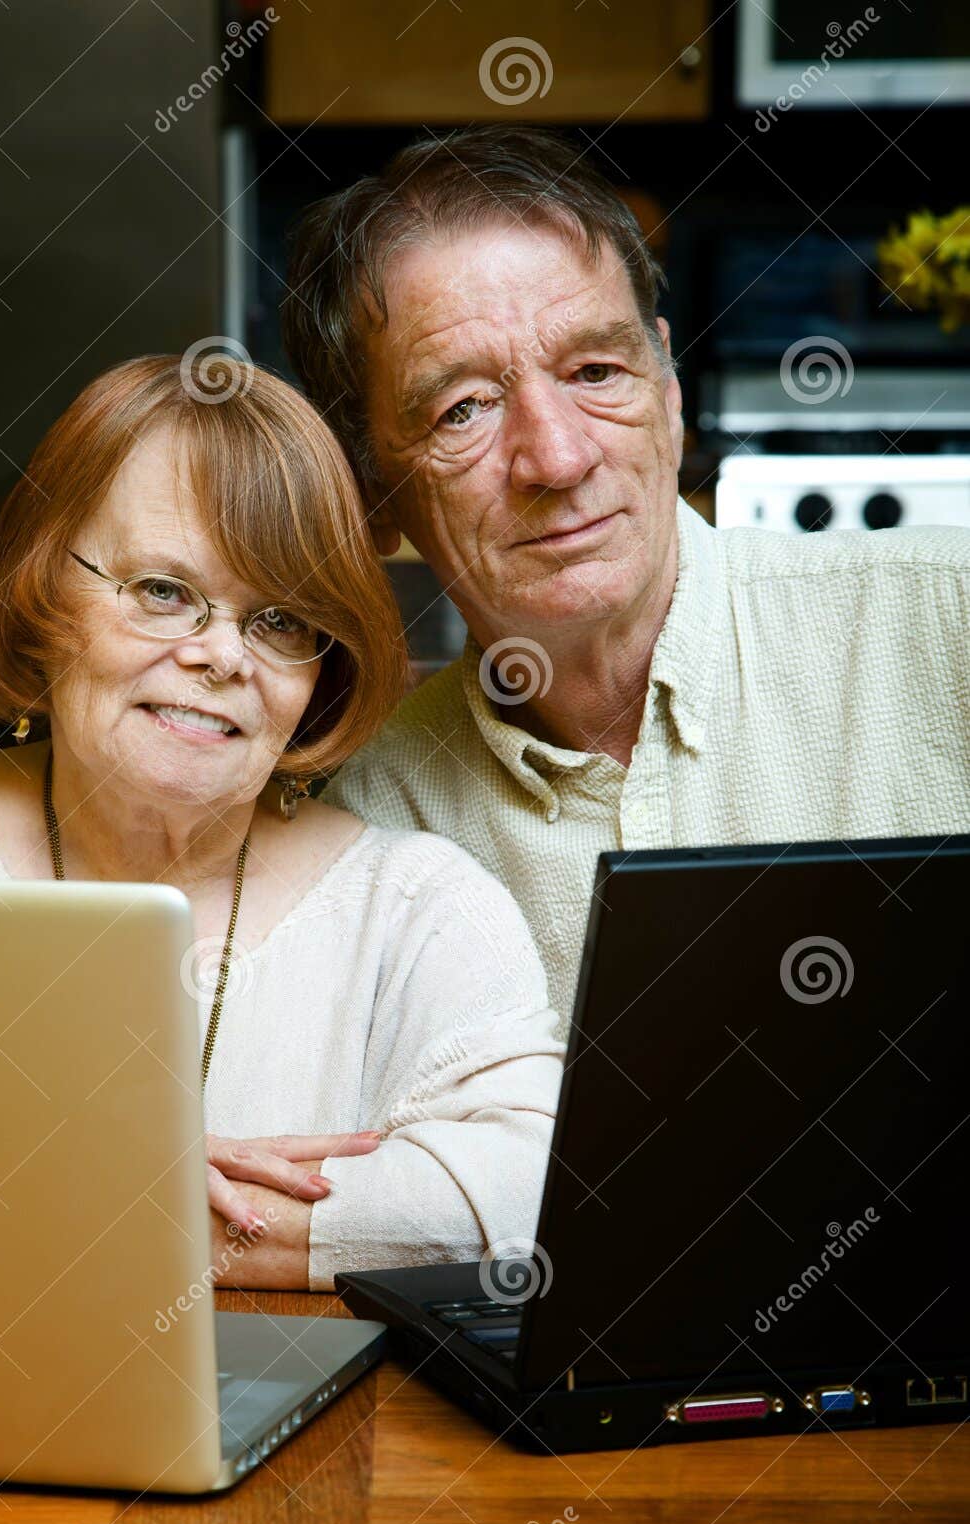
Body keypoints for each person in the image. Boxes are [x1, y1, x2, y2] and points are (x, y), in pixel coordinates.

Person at [0, 355, 564, 1291]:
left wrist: (150, 1215)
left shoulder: (416, 905)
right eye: (163, 591)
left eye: (280, 619)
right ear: (42, 589)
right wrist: (117, 1186)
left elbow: (536, 1192)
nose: (222, 655)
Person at [281, 126, 970, 1019]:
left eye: (596, 371)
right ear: (371, 491)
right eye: (464, 409)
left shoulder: (950, 621)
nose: (559, 458)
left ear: (668, 389)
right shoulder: (365, 827)